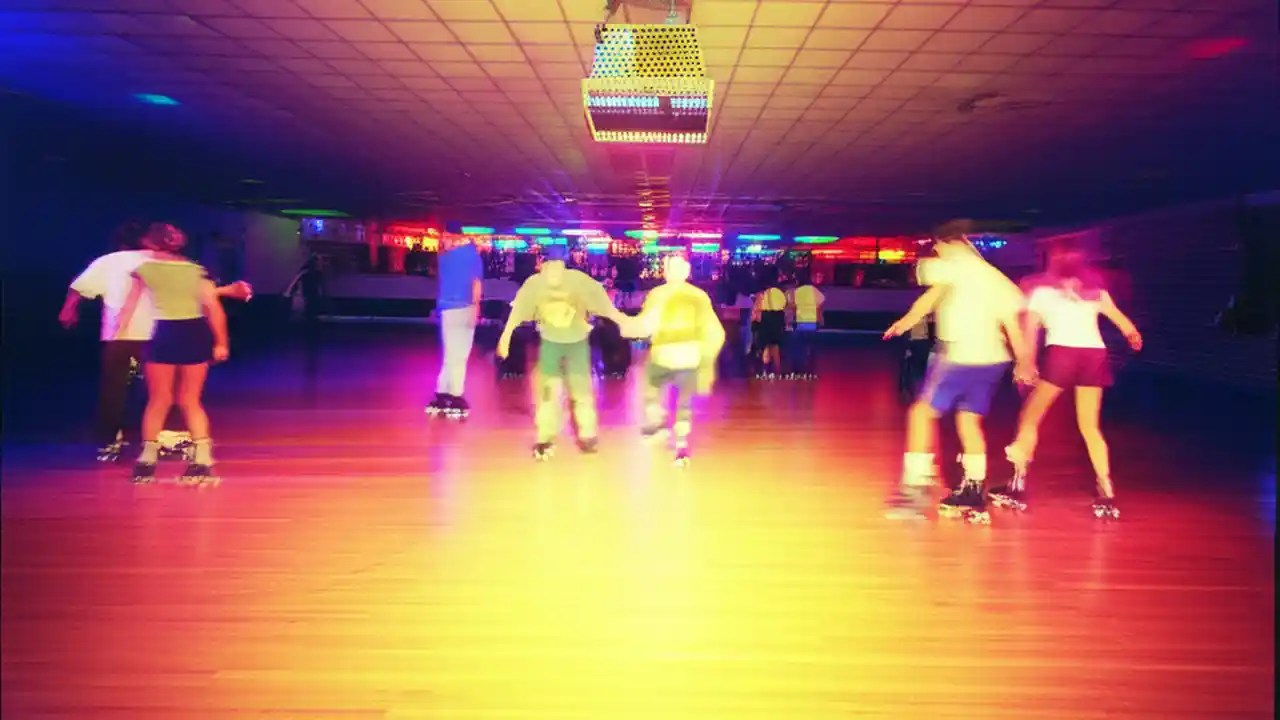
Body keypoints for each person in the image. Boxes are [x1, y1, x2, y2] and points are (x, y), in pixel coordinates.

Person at [59, 221, 250, 462]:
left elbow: (79, 288)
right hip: (159, 332)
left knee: (115, 388)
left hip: (122, 336)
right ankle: (159, 438)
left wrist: (68, 309)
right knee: (162, 393)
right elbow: (192, 292)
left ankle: (111, 439)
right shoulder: (169, 261)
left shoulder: (109, 261)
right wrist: (226, 294)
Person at [882, 221, 1034, 523]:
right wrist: (1025, 362)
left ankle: (915, 490)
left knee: (920, 414)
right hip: (993, 359)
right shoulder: (996, 278)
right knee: (969, 422)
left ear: (948, 243)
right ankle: (974, 487)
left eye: (937, 246)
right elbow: (1012, 326)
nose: (935, 252)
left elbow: (929, 292)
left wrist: (909, 319)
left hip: (961, 354)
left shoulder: (950, 265)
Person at [993, 242, 1142, 519]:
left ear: (1052, 264)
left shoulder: (1041, 294)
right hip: (1094, 355)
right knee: (1090, 426)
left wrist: (1026, 363)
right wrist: (1133, 340)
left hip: (1063, 354)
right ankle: (1106, 489)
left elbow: (1030, 333)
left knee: (1029, 418)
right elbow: (1129, 329)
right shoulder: (1096, 293)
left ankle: (1017, 483)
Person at [116, 223, 230, 485]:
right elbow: (213, 308)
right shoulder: (196, 270)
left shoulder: (144, 270)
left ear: (153, 244)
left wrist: (121, 333)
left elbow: (130, 303)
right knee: (190, 399)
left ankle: (147, 458)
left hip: (166, 333)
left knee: (159, 399)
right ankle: (202, 457)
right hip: (195, 333)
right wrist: (221, 342)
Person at [496, 245, 630, 459]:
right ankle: (545, 436)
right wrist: (506, 336)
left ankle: (587, 434)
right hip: (551, 342)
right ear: (544, 264)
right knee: (548, 390)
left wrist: (621, 320)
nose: (554, 271)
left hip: (577, 341)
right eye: (550, 266)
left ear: (563, 265)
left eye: (558, 266)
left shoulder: (578, 280)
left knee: (581, 389)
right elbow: (519, 309)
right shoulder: (535, 284)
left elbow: (602, 303)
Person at [629, 254, 726, 465]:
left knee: (651, 389)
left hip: (663, 354)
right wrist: (707, 359)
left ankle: (657, 423)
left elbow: (647, 325)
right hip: (690, 355)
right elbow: (715, 331)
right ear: (687, 272)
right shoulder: (699, 296)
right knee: (684, 402)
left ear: (666, 272)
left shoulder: (658, 294)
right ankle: (681, 445)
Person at [426, 234, 483, 417]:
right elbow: (476, 284)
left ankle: (442, 392)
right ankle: (456, 395)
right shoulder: (472, 255)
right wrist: (476, 308)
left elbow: (442, 283)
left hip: (447, 309)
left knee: (451, 353)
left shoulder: (443, 258)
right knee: (460, 354)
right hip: (465, 307)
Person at [788, 271, 825, 379]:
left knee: (799, 347)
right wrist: (819, 320)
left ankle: (798, 370)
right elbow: (819, 306)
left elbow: (793, 307)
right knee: (811, 347)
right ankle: (810, 371)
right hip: (812, 323)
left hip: (800, 322)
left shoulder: (796, 292)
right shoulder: (814, 291)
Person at [752, 274, 787, 378]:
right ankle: (778, 370)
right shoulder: (781, 293)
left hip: (766, 319)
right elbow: (785, 305)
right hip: (778, 319)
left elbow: (757, 309)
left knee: (766, 345)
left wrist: (755, 322)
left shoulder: (762, 294)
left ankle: (766, 371)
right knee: (775, 346)